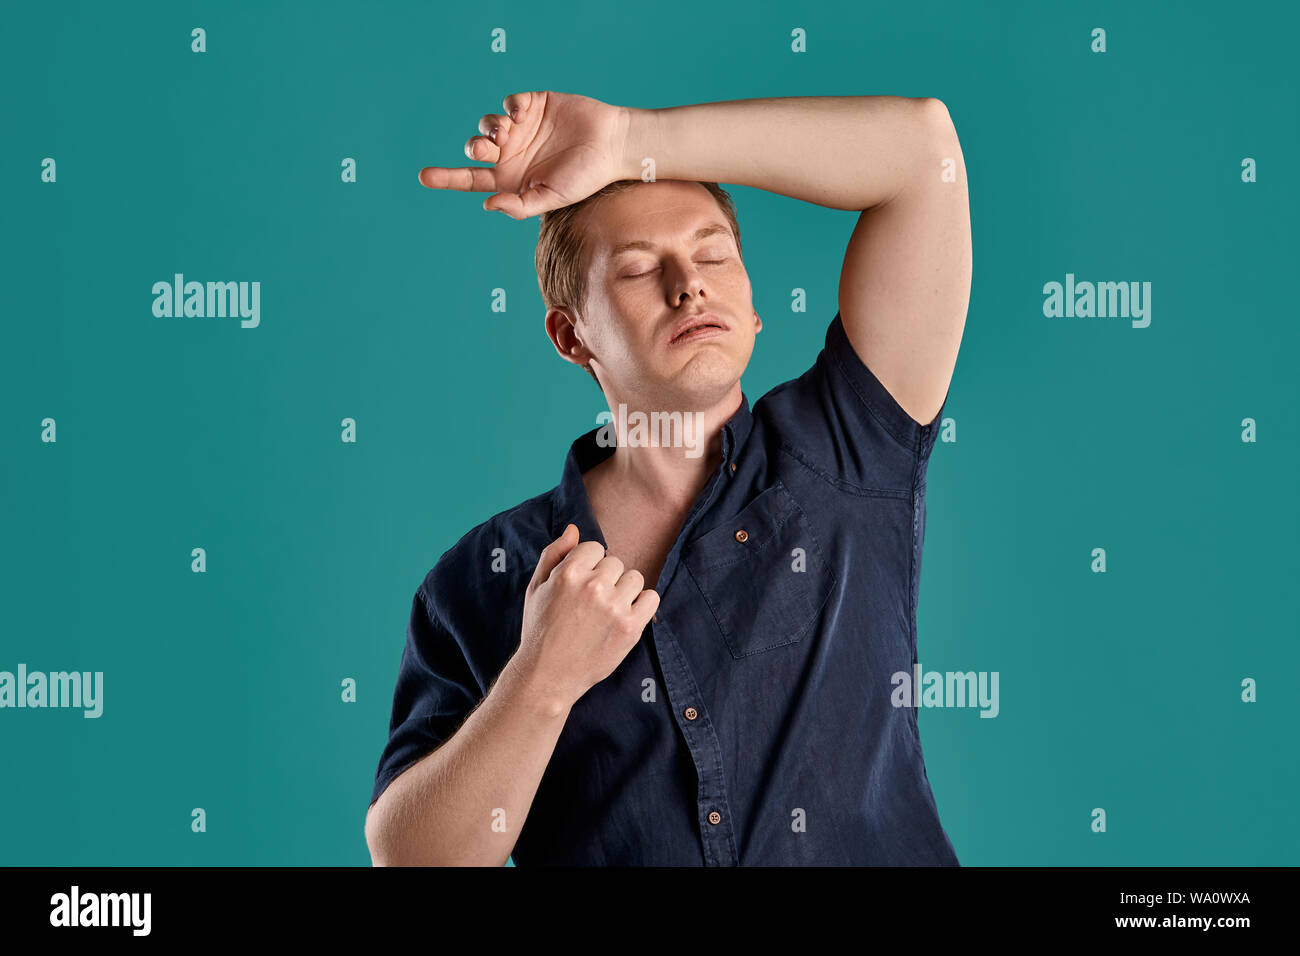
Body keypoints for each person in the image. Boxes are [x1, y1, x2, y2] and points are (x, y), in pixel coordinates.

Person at [364, 90, 971, 865]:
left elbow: (923, 152)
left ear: (752, 309)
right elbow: (410, 858)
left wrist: (629, 141)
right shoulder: (485, 580)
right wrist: (543, 679)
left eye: (714, 254)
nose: (689, 284)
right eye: (639, 269)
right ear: (570, 334)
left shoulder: (848, 450)